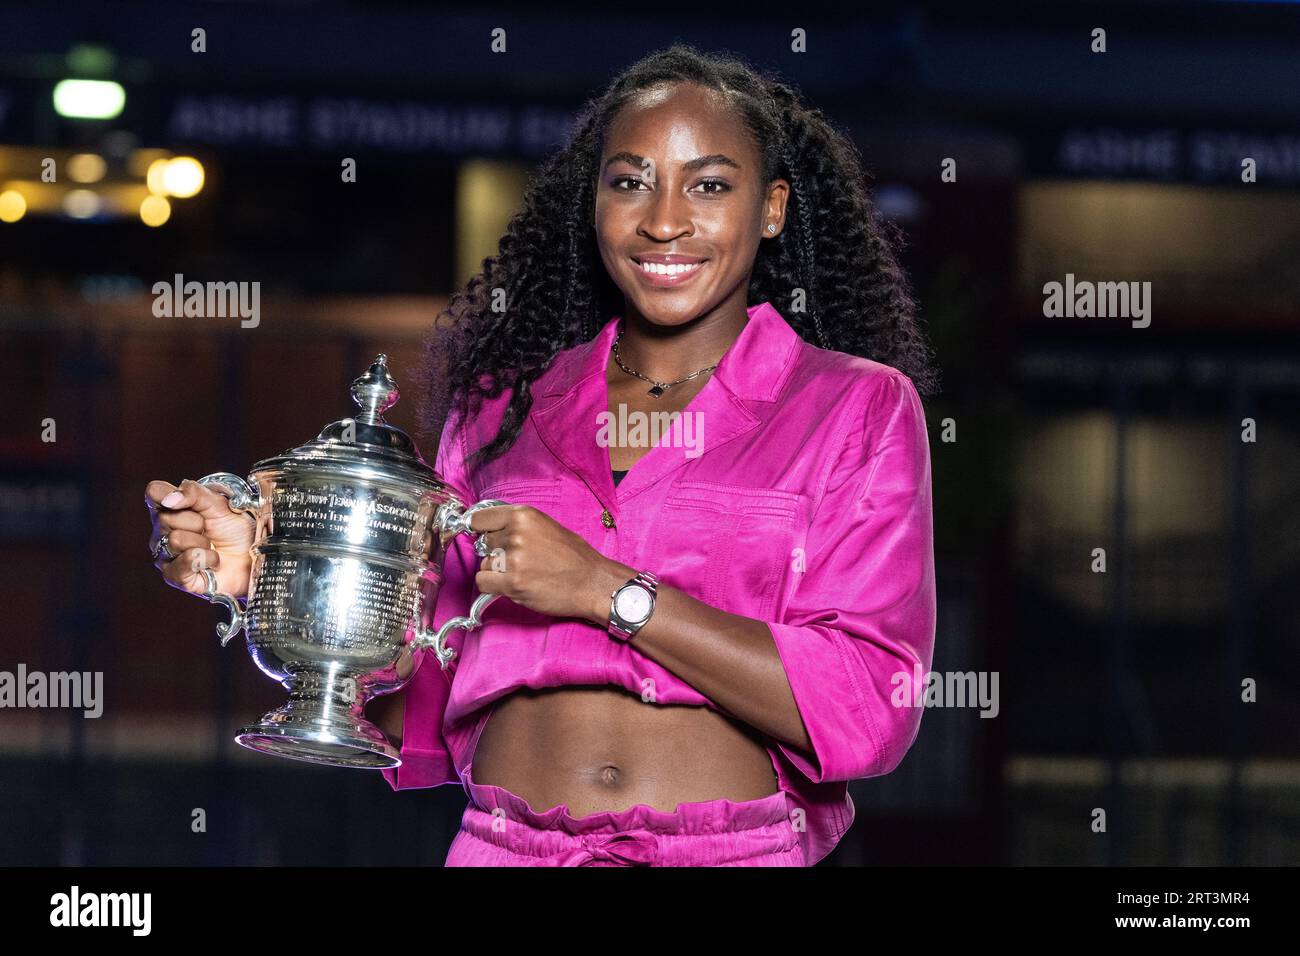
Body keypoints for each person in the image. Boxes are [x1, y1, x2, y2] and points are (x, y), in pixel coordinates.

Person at [144, 43, 940, 867]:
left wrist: (607, 592)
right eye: (629, 181)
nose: (664, 219)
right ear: (592, 201)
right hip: (503, 849)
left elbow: (868, 708)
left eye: (709, 185)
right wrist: (280, 574)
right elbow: (416, 695)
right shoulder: (499, 409)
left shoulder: (852, 406)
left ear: (771, 208)